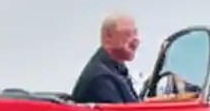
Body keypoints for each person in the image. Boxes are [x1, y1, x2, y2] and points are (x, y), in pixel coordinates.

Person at [70, 13, 198, 104]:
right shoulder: (101, 78)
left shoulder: (114, 69)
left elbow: (134, 104)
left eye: (135, 33)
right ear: (108, 37)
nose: (136, 40)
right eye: (128, 34)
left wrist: (178, 99)